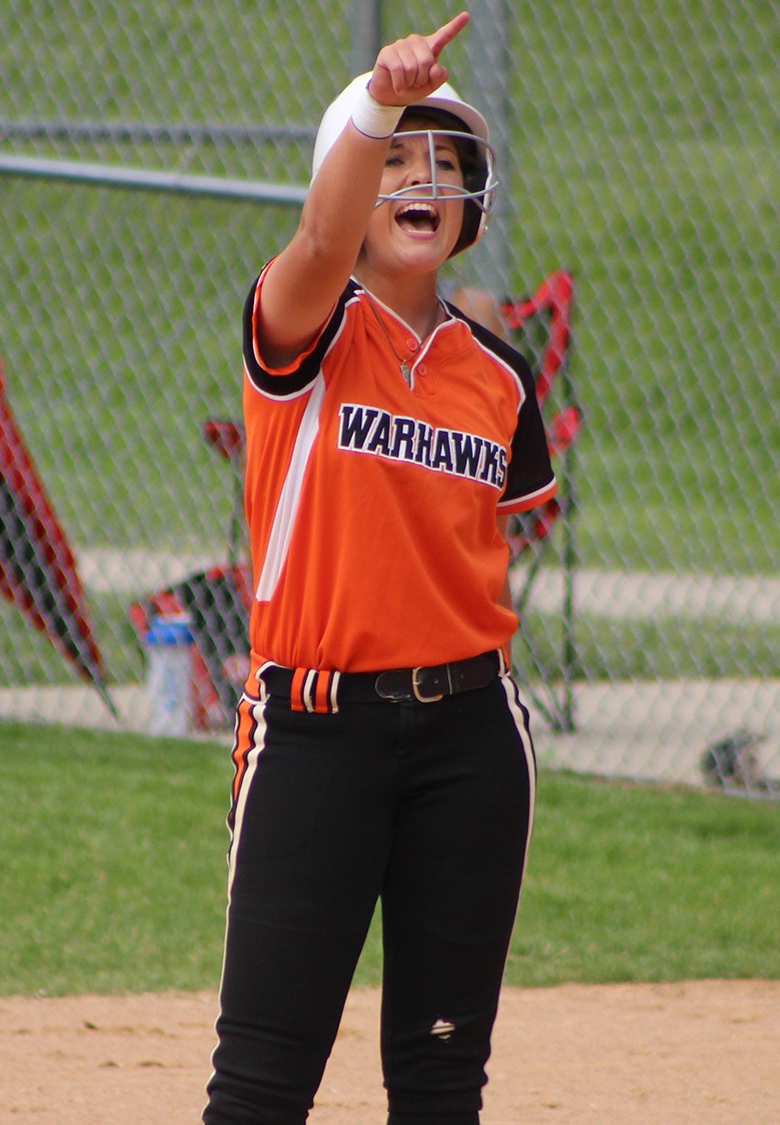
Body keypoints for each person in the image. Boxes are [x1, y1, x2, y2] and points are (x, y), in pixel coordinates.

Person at [204, 12, 558, 1123]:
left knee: (442, 1078)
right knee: (262, 1086)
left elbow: (486, 542)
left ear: (469, 208)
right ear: (344, 182)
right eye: (396, 157)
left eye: (444, 165)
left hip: (468, 738)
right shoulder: (305, 319)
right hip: (314, 734)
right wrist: (375, 100)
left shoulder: (496, 377)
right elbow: (317, 245)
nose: (423, 179)